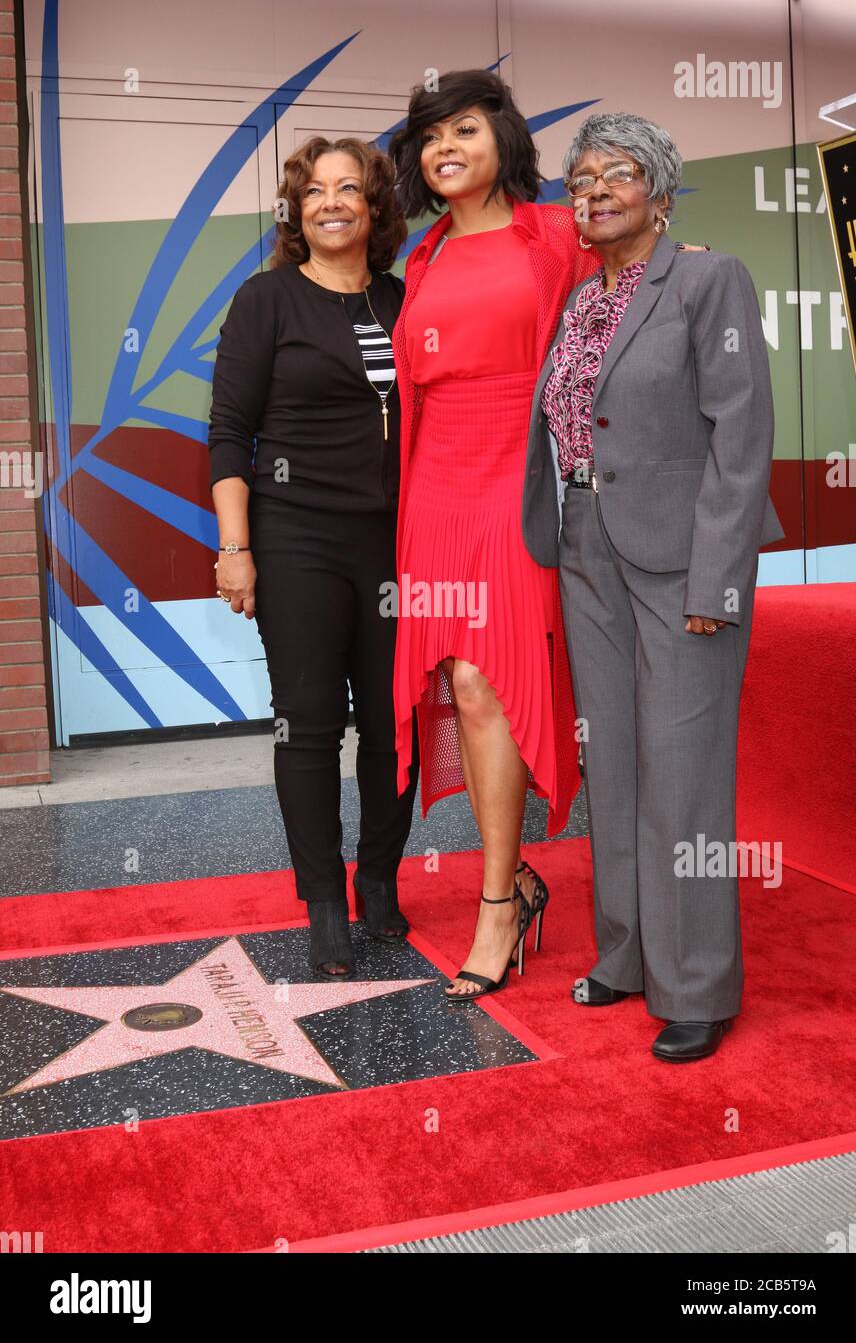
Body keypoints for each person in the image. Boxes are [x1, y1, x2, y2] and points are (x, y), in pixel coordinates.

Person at [522, 112, 785, 1061]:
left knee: (683, 774)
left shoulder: (707, 279)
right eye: (581, 177)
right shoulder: (579, 301)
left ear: (661, 192)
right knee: (619, 764)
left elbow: (740, 436)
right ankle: (629, 955)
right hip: (585, 540)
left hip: (683, 557)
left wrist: (718, 580)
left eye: (618, 173)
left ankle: (698, 983)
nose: (593, 189)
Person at [389, 69, 602, 1001]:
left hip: (522, 478)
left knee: (491, 682)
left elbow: (611, 333)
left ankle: (495, 904)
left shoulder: (555, 233)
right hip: (435, 482)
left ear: (502, 140)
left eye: (465, 129)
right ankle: (509, 879)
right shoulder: (423, 258)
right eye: (432, 135)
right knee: (462, 685)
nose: (447, 147)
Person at [208, 136, 419, 981]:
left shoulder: (407, 300)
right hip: (294, 532)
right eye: (314, 191)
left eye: (350, 188)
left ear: (375, 207)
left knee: (392, 723)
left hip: (398, 541)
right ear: (296, 211)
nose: (332, 203)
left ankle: (378, 879)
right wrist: (236, 548)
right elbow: (229, 432)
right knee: (308, 723)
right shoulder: (268, 300)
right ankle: (324, 902)